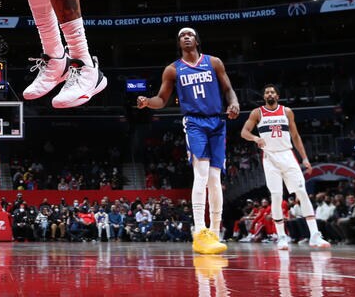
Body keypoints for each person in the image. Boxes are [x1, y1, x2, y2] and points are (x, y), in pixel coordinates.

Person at [136, 27, 240, 255]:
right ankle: (200, 230)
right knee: (201, 174)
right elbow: (161, 100)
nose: (186, 37)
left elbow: (229, 90)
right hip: (194, 122)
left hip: (217, 121)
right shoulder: (173, 70)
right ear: (179, 43)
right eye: (182, 35)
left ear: (196, 40)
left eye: (189, 34)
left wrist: (234, 103)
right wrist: (147, 102)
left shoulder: (214, 62)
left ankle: (214, 230)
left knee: (215, 179)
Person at [239, 84, 330, 250]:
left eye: (272, 91)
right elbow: (244, 132)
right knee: (276, 195)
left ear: (277, 96)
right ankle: (281, 236)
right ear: (264, 96)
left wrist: (305, 158)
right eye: (266, 92)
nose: (269, 93)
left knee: (302, 192)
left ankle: (315, 235)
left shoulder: (287, 111)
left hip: (287, 155)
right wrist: (255, 138)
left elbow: (295, 136)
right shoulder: (257, 113)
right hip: (270, 157)